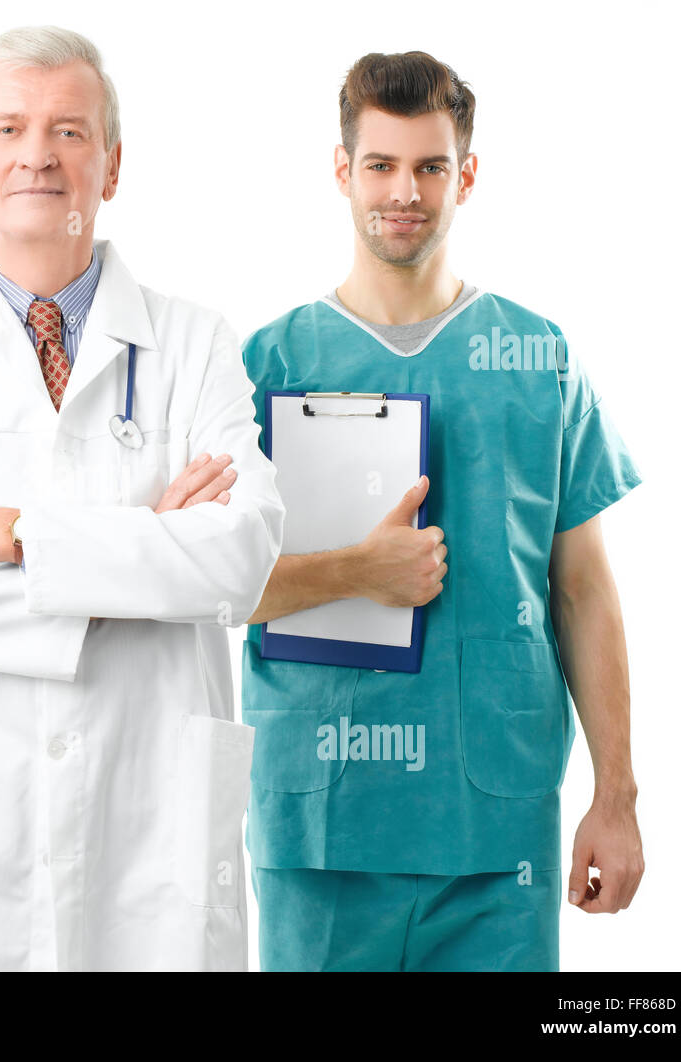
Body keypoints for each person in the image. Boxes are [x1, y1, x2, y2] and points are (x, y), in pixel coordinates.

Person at [0, 25, 284, 971]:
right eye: (7, 129)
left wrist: (10, 535)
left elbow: (240, 557)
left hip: (148, 820)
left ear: (111, 166)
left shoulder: (195, 344)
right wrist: (137, 555)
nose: (37, 153)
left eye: (69, 132)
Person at [241, 52, 644, 971]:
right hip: (324, 833)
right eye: (380, 165)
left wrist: (615, 795)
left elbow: (583, 591)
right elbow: (213, 588)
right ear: (341, 173)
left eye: (429, 166)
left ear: (466, 174)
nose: (404, 191)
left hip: (495, 838)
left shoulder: (535, 358)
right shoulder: (265, 368)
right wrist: (352, 573)